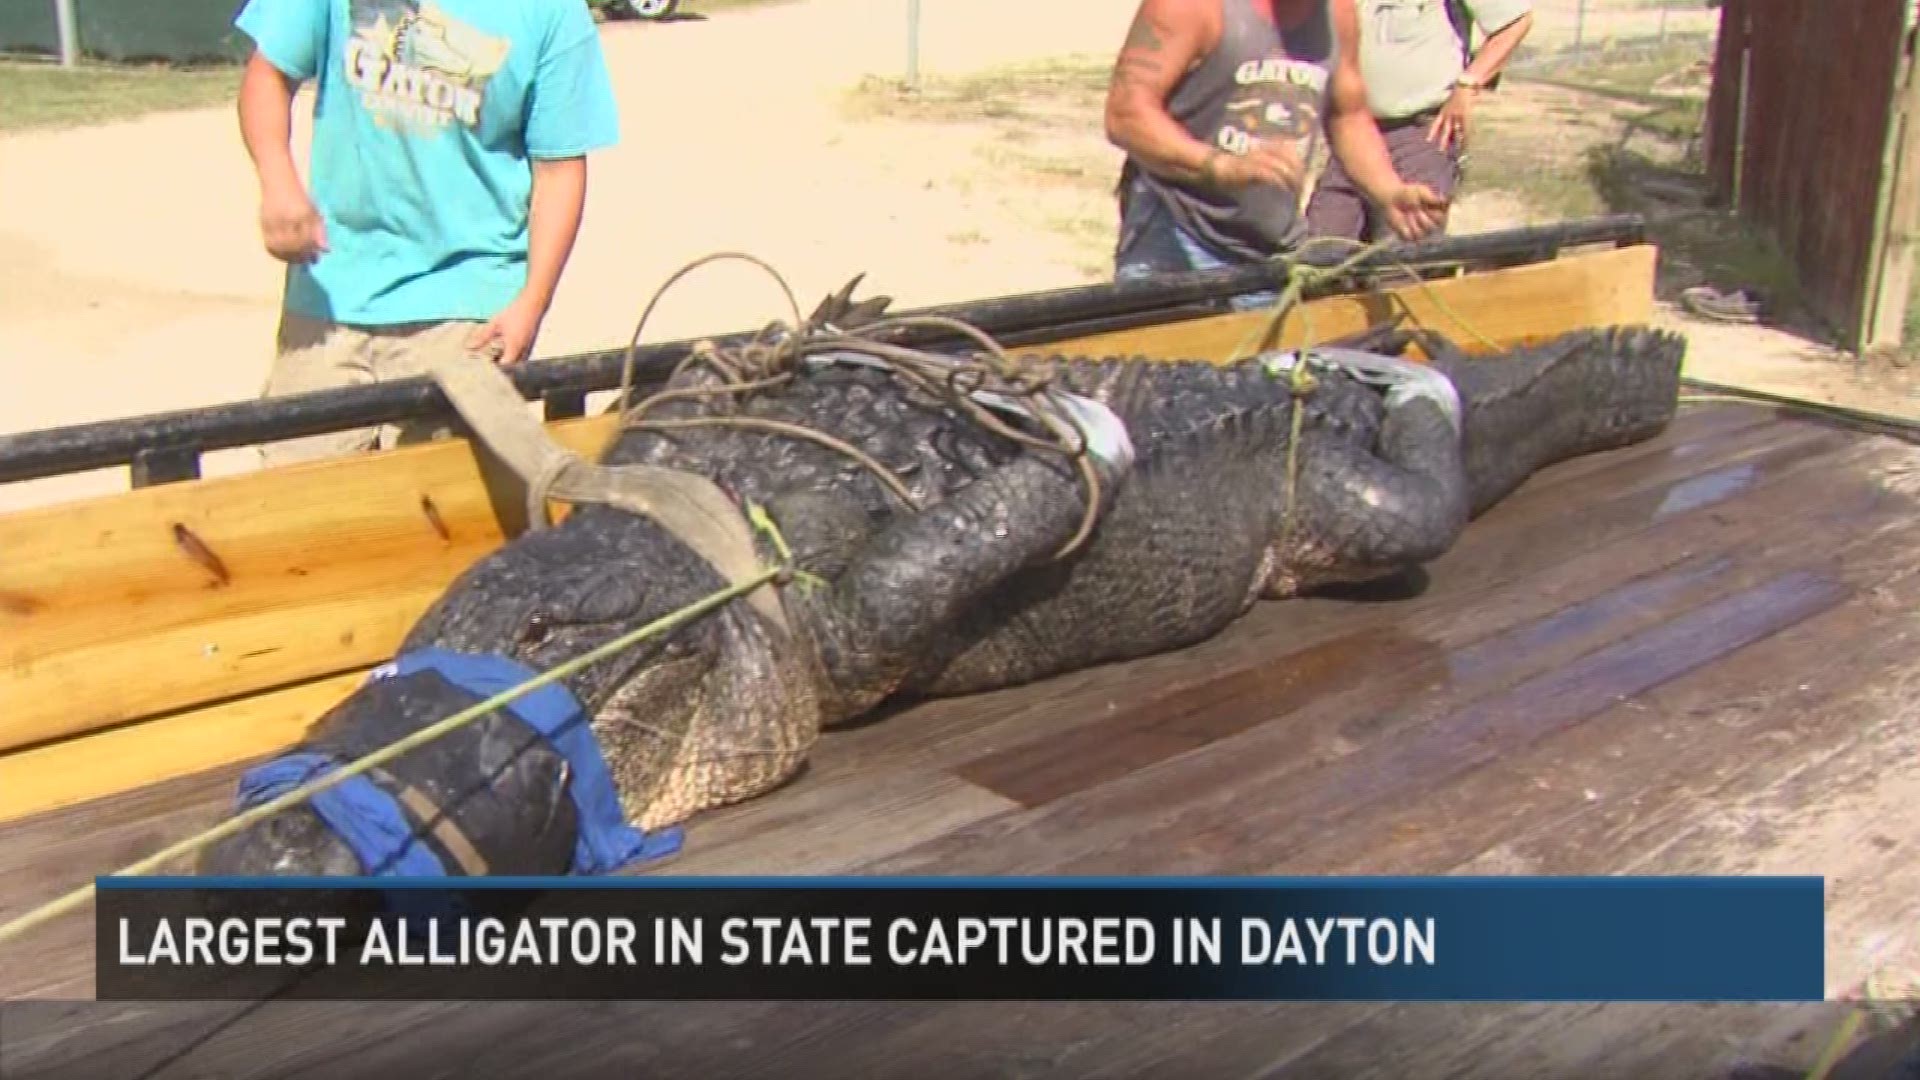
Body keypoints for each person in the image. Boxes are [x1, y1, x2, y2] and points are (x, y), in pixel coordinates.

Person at [233, 0, 620, 466]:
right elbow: (267, 75)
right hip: (332, 290)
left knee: (444, 510)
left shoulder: (552, 13)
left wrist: (530, 304)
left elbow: (558, 168)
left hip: (467, 304)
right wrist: (277, 182)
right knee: (295, 506)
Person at [1104, 0, 1449, 304]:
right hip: (1176, 236)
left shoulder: (1337, 12)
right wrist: (1220, 166)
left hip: (1270, 246)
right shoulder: (1192, 6)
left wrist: (1388, 191)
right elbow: (1126, 114)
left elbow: (1349, 114)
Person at [1304, 0, 1533, 242]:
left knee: (1403, 254)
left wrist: (1469, 83)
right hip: (1352, 136)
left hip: (1421, 132)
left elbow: (1515, 21)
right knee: (1320, 247)